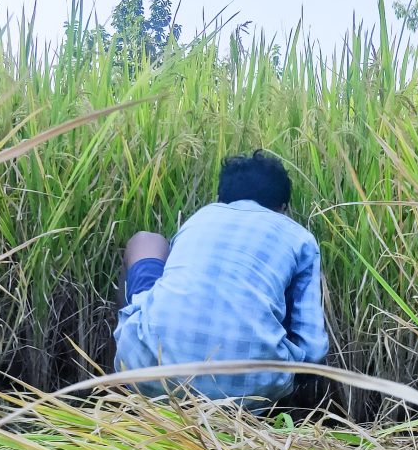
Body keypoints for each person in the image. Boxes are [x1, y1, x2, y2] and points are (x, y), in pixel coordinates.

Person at [113, 150, 329, 411]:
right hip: (249, 395)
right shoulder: (299, 237)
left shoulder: (202, 217)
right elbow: (313, 349)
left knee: (146, 240)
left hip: (145, 371)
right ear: (283, 209)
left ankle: (124, 392)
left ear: (220, 199)